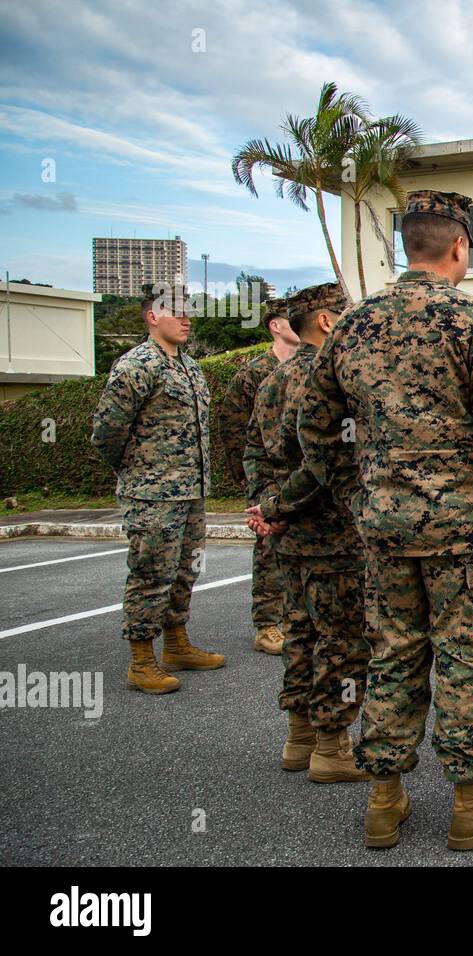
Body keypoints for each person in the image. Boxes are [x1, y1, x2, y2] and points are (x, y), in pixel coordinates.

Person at [293, 189, 473, 851]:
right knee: (463, 657)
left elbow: (314, 429)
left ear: (409, 244)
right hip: (462, 532)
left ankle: (384, 800)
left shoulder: (352, 324)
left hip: (382, 528)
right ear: (460, 246)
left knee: (393, 654)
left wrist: (359, 490)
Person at [244, 282, 370, 784]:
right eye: (345, 313)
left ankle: (299, 737)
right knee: (342, 640)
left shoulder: (276, 378)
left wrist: (266, 508)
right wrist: (279, 506)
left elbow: (253, 448)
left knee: (300, 630)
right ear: (324, 321)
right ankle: (332, 746)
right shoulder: (331, 376)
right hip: (332, 532)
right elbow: (329, 463)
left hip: (288, 533)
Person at [91, 283, 225, 695]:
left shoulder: (190, 366)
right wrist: (138, 474)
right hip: (152, 495)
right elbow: (106, 432)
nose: (186, 318)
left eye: (189, 311)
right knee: (151, 574)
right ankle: (141, 660)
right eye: (176, 311)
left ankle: (177, 644)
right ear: (152, 317)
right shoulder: (137, 366)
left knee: (185, 572)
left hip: (191, 490)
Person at [215, 297, 298, 655]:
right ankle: (267, 624)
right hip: (268, 474)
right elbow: (233, 428)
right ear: (275, 326)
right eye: (288, 318)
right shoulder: (255, 373)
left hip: (300, 476)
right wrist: (251, 481)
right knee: (269, 549)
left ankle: (294, 616)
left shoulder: (313, 366)